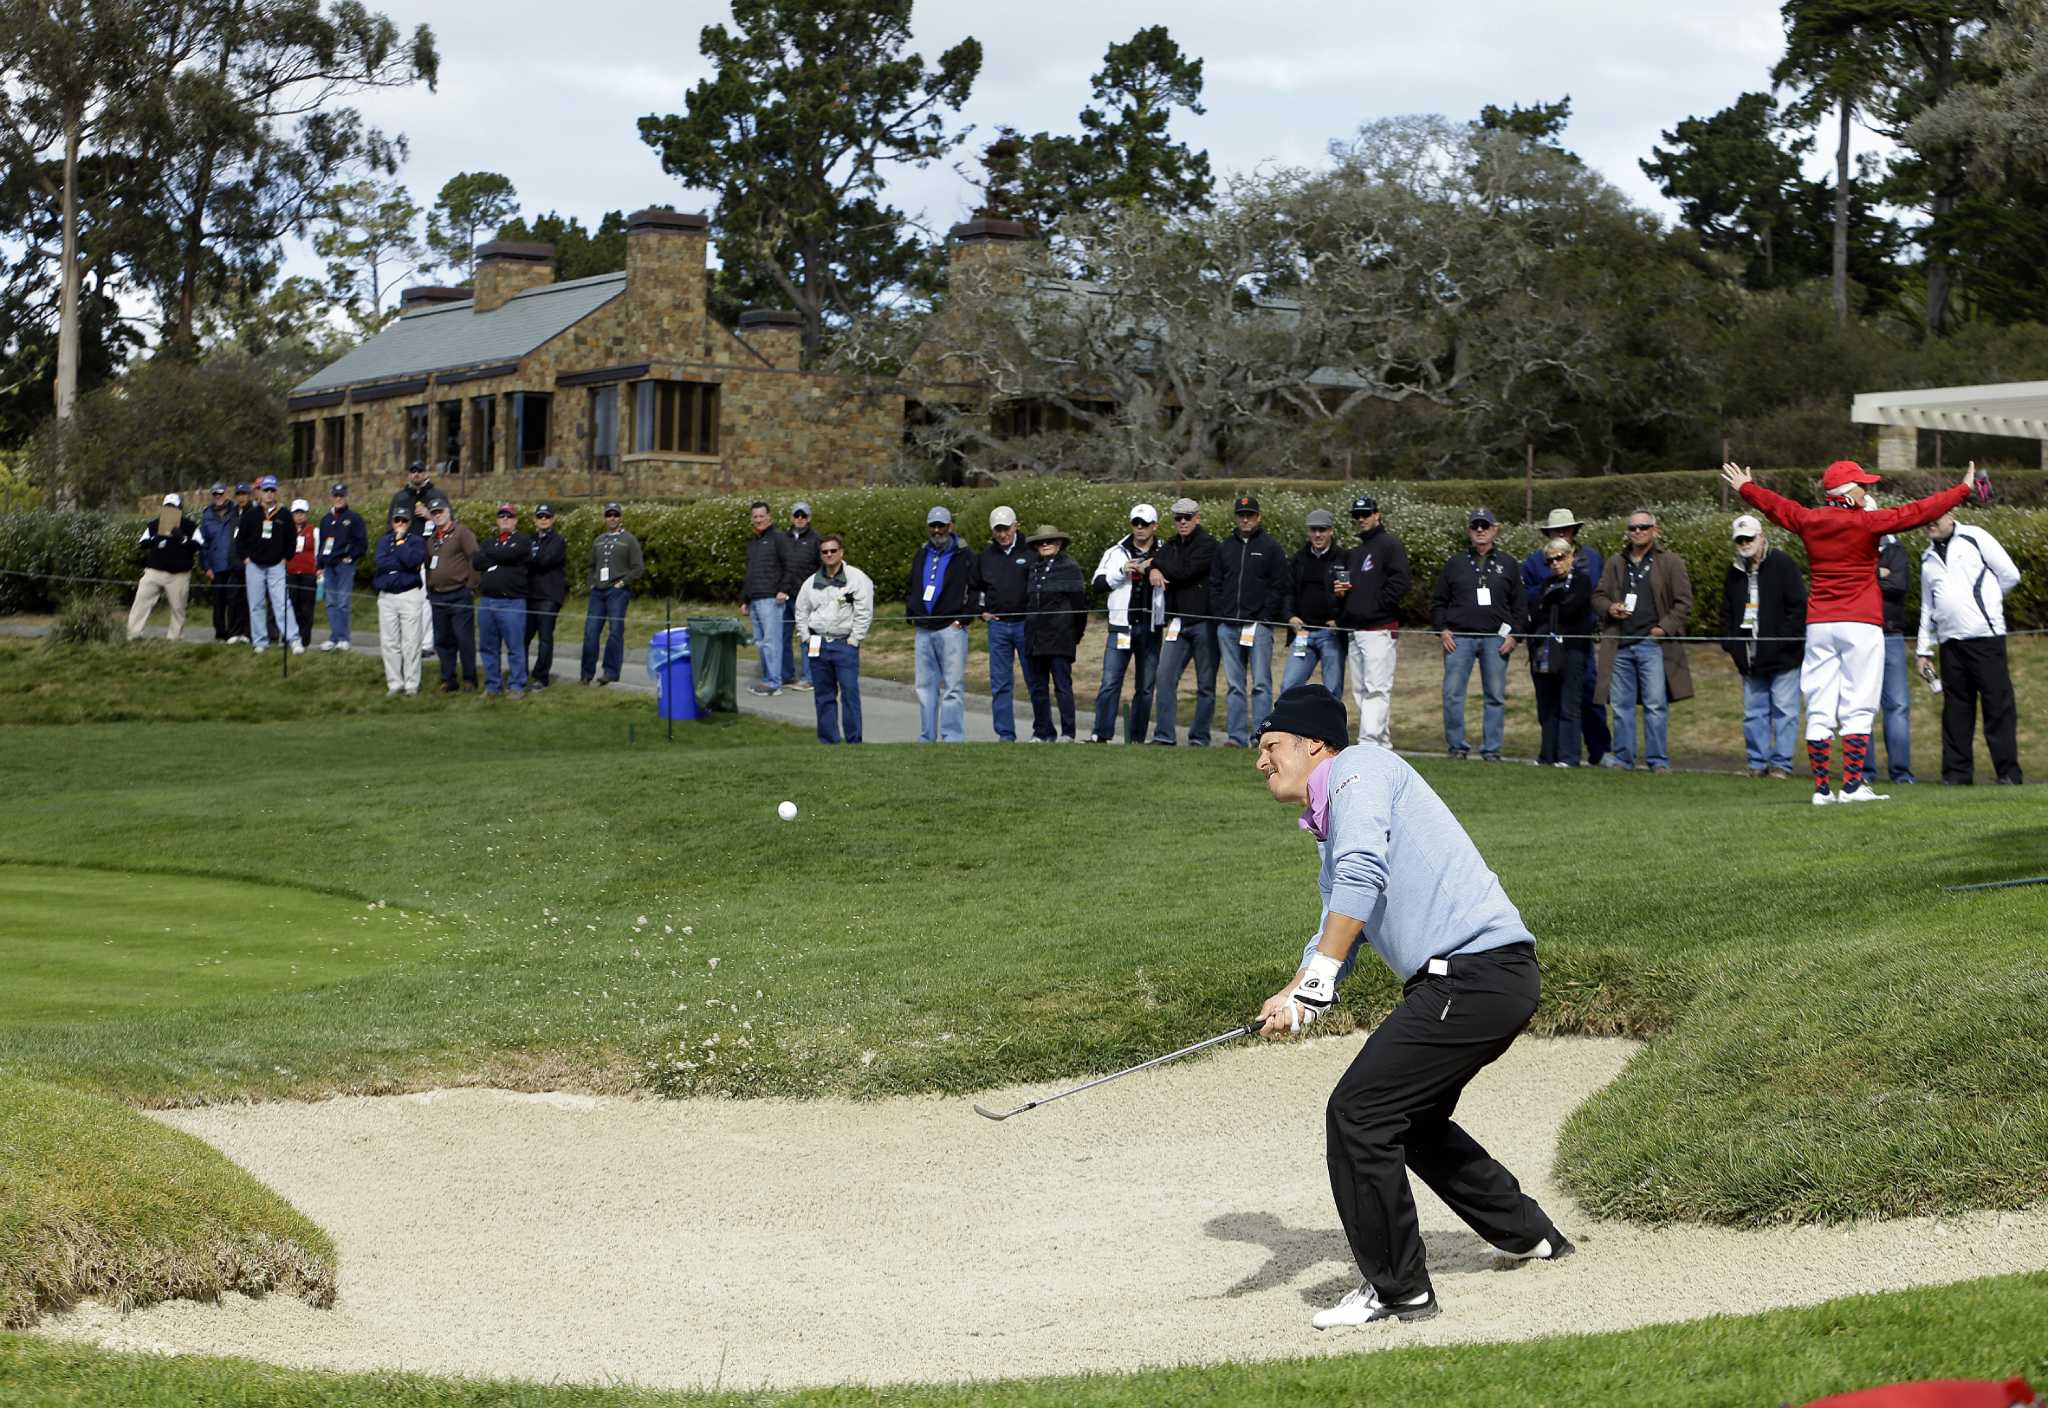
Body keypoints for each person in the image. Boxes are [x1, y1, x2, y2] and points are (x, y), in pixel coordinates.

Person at [1251, 684, 1572, 1330]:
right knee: (1412, 1119)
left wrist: (1319, 977)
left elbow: (1362, 876)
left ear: (1315, 746)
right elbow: (1343, 923)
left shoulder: (1360, 769)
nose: (1261, 762)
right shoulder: (1337, 821)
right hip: (1477, 982)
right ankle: (1528, 1234)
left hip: (1473, 976)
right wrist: (1298, 992)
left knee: (1359, 1113)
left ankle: (1397, 1290)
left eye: (1271, 746)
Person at [1723, 459, 1973, 803]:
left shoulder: (1810, 520)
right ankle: (1853, 785)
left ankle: (1822, 789)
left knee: (1819, 704)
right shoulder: (1868, 522)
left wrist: (1746, 488)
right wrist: (1962, 490)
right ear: (1847, 493)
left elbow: (1777, 507)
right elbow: (1918, 512)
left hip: (1820, 623)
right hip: (1860, 622)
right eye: (1862, 486)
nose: (1867, 491)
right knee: (1859, 702)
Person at [1918, 510, 2023, 786]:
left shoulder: (1975, 537)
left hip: (1986, 638)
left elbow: (2010, 575)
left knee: (1997, 707)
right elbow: (1928, 606)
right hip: (1949, 642)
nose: (1930, 523)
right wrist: (1923, 650)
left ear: (1951, 515)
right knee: (1956, 710)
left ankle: (2008, 774)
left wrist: (1987, 605)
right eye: (1926, 518)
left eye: (1936, 517)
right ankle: (1956, 775)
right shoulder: (1927, 558)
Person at [1592, 510, 1694, 774]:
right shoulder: (1616, 562)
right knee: (1621, 707)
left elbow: (1684, 602)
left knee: (1655, 705)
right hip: (1619, 644)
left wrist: (1663, 628)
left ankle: (1658, 761)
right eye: (1633, 528)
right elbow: (1598, 596)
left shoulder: (1670, 561)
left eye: (1643, 527)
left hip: (1652, 644)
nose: (1637, 532)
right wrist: (1610, 608)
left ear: (1654, 530)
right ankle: (1624, 759)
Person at [1430, 507, 1521, 761]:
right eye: (1475, 526)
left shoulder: (1508, 564)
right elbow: (1438, 602)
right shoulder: (1455, 563)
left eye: (1485, 526)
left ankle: (1492, 750)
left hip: (1496, 639)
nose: (1480, 530)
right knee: (1452, 694)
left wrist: (1515, 635)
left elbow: (1520, 605)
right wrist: (1442, 630)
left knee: (1495, 696)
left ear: (1495, 529)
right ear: (1469, 531)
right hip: (1458, 639)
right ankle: (1457, 747)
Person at [1720, 515, 1806, 780]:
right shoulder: (1734, 571)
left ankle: (1781, 764)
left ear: (1761, 536)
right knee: (1753, 713)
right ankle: (1757, 763)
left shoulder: (1783, 563)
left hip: (1783, 656)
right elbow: (1726, 612)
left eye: (1749, 538)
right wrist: (1731, 644)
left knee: (1784, 711)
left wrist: (1781, 642)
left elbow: (1798, 607)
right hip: (1749, 655)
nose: (1745, 544)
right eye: (1740, 540)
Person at [1519, 508, 1607, 766]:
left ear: (1573, 531)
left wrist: (1555, 600)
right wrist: (1550, 599)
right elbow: (1530, 599)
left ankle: (1598, 750)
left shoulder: (1591, 559)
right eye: (1555, 531)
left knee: (1584, 696)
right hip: (1546, 641)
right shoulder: (1534, 562)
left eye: (1565, 530)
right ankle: (1550, 754)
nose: (1555, 562)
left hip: (1578, 640)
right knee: (1549, 700)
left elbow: (1586, 598)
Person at [1211, 495, 1292, 748]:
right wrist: (1221, 613)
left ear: (1259, 517)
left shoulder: (1271, 547)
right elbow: (1215, 583)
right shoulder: (1225, 547)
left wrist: (1265, 615)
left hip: (1258, 627)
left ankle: (1261, 737)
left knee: (1261, 684)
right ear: (1236, 517)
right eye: (1241, 515)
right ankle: (1235, 737)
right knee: (1234, 685)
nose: (1245, 519)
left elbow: (1279, 585)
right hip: (1228, 626)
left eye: (1250, 515)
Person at [1087, 503, 1164, 744]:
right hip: (1121, 628)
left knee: (1146, 687)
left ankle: (1137, 738)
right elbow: (1097, 583)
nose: (1139, 528)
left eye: (1145, 524)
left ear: (1154, 526)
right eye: (1135, 523)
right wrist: (1122, 571)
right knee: (1110, 683)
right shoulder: (1116, 551)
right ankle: (1101, 734)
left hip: (1151, 628)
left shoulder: (1165, 550)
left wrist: (1154, 567)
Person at [1337, 496, 1410, 751]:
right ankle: (1382, 744)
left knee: (1376, 689)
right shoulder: (1356, 552)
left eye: (1366, 514)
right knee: (1360, 690)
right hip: (1356, 630)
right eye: (1357, 515)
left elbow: (1401, 582)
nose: (1361, 519)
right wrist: (1344, 598)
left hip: (1379, 628)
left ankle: (1367, 743)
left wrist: (1376, 606)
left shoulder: (1389, 544)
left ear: (1377, 515)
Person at [1150, 497, 1221, 746]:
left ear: (1197, 518)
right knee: (1164, 678)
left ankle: (1199, 737)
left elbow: (1184, 572)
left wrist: (1156, 564)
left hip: (1204, 622)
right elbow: (1162, 563)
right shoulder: (1170, 544)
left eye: (1187, 517)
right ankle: (1164, 735)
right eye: (1178, 518)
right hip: (1177, 622)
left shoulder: (1209, 544)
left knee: (1206, 685)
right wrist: (1154, 568)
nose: (1182, 522)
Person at [794, 533, 874, 744]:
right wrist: (805, 637)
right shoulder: (811, 582)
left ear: (841, 552)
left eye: (833, 550)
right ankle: (828, 741)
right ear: (821, 555)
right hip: (817, 643)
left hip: (844, 643)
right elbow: (801, 610)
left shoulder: (857, 578)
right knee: (823, 695)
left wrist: (855, 639)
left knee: (849, 693)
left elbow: (864, 612)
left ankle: (854, 741)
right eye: (825, 552)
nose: (829, 554)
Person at [906, 505, 974, 743]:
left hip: (951, 628)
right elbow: (912, 583)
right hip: (924, 628)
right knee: (924, 686)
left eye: (941, 526)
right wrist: (911, 611)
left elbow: (975, 588)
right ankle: (927, 737)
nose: (937, 530)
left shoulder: (964, 554)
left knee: (953, 686)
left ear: (950, 526)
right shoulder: (922, 552)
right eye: (933, 526)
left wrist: (964, 618)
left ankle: (952, 736)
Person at [1021, 524, 1089, 743]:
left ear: (1059, 543)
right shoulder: (1033, 568)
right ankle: (1042, 731)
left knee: (1062, 686)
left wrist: (1076, 634)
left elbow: (1080, 606)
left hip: (1061, 636)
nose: (1045, 545)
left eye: (1049, 541)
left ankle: (1068, 733)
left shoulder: (1070, 567)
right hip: (1035, 636)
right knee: (1038, 687)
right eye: (1041, 542)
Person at [974, 506, 1032, 742]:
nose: (1002, 534)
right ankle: (1005, 735)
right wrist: (981, 611)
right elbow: (978, 588)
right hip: (998, 626)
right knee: (1000, 683)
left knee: (1034, 679)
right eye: (998, 530)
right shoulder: (987, 556)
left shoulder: (1030, 551)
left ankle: (1042, 732)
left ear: (1015, 526)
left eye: (1006, 529)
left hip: (1025, 625)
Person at [1283, 510, 1346, 699]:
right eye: (1313, 530)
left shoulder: (1343, 558)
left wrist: (1340, 620)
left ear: (1331, 531)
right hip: (1303, 633)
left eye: (1322, 530)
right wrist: (1290, 616)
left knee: (1332, 692)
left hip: (1331, 635)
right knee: (1289, 687)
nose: (1317, 535)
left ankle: (1330, 720)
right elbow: (1287, 591)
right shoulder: (1298, 559)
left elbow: (1350, 596)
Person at [237, 475, 302, 654]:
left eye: (272, 490)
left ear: (276, 492)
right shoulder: (251, 514)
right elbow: (240, 540)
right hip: (254, 566)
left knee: (282, 604)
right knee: (256, 605)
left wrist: (286, 557)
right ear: (260, 492)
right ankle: (260, 641)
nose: (269, 493)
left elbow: (292, 539)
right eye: (266, 490)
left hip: (276, 566)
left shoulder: (284, 514)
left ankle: (293, 639)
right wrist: (245, 558)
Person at [127, 493, 203, 641]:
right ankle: (133, 634)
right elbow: (142, 543)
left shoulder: (189, 525)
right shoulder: (154, 524)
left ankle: (175, 638)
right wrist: (155, 539)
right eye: (168, 507)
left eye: (173, 507)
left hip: (179, 575)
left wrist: (183, 538)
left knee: (178, 609)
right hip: (154, 572)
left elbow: (199, 545)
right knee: (141, 603)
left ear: (180, 509)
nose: (170, 510)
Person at [582, 502, 643, 686]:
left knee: (615, 631)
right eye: (609, 515)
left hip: (617, 591)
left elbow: (638, 568)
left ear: (621, 517)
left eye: (615, 515)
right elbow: (591, 566)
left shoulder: (629, 540)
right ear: (605, 518)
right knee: (591, 632)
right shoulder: (598, 540)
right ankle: (586, 674)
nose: (612, 518)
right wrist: (591, 583)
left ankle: (610, 672)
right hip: (597, 592)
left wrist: (623, 582)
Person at [473, 503, 531, 698]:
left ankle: (516, 686)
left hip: (511, 602)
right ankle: (493, 686)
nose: (505, 519)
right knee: (488, 647)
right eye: (501, 516)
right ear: (497, 520)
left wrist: (492, 555)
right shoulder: (490, 541)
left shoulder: (522, 540)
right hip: (487, 601)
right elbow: (477, 562)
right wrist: (499, 557)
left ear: (515, 520)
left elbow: (511, 554)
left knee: (515, 647)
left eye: (509, 516)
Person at [423, 498, 480, 694]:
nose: (438, 515)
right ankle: (448, 679)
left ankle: (469, 679)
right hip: (438, 596)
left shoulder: (462, 533)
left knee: (464, 639)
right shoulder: (432, 539)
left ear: (449, 512)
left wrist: (471, 586)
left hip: (459, 594)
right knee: (442, 641)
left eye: (441, 511)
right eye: (434, 512)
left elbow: (475, 558)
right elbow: (428, 565)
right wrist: (430, 587)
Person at [371, 506, 428, 697]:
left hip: (409, 594)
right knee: (389, 643)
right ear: (392, 522)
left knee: (411, 642)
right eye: (397, 520)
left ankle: (411, 685)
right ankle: (395, 683)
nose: (400, 524)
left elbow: (413, 561)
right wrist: (401, 563)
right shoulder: (383, 541)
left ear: (409, 523)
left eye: (404, 520)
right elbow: (381, 562)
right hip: (387, 596)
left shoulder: (417, 541)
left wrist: (401, 542)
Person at [743, 500, 796, 697]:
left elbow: (790, 565)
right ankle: (767, 680)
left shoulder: (779, 538)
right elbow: (749, 573)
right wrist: (744, 599)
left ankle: (774, 683)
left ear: (769, 517)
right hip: (755, 599)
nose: (758, 520)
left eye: (761, 516)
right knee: (760, 643)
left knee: (771, 643)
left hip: (771, 600)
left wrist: (784, 589)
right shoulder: (753, 543)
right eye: (755, 517)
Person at [1876, 526, 1916, 784]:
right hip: (1861, 632)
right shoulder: (1849, 546)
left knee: (1898, 705)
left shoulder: (1895, 548)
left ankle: (1901, 774)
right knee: (1861, 706)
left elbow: (1899, 585)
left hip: (1891, 633)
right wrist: (1879, 573)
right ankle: (1863, 773)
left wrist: (1869, 575)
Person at [316, 483, 367, 652]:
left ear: (346, 497)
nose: (338, 499)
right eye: (336, 496)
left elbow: (362, 543)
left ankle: (344, 638)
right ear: (332, 497)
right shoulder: (326, 519)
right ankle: (334, 637)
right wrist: (320, 564)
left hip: (344, 566)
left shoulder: (353, 518)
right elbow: (322, 543)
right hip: (329, 566)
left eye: (341, 496)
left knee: (343, 602)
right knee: (331, 603)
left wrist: (351, 557)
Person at [524, 504, 568, 689]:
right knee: (523, 637)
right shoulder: (529, 539)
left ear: (553, 519)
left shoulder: (558, 541)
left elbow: (545, 560)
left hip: (549, 596)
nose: (543, 520)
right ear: (534, 519)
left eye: (547, 517)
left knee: (545, 638)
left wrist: (529, 559)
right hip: (529, 595)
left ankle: (541, 677)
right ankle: (521, 673)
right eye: (540, 516)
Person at [780, 501, 821, 691]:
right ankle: (786, 675)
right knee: (783, 637)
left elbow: (823, 567)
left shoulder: (816, 539)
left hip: (808, 597)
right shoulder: (783, 538)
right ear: (791, 517)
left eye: (803, 515)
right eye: (796, 515)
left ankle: (811, 677)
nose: (799, 519)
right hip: (785, 596)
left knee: (810, 638)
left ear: (809, 518)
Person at [199, 483, 245, 643]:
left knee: (235, 600)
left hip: (234, 564)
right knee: (219, 601)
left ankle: (235, 631)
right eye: (215, 494)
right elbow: (204, 544)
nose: (218, 496)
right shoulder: (207, 515)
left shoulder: (235, 510)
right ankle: (220, 632)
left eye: (220, 493)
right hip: (216, 566)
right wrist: (206, 566)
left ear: (226, 493)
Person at [283, 500, 320, 649]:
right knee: (292, 607)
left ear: (306, 514)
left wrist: (318, 569)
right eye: (296, 513)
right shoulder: (287, 530)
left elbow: (318, 552)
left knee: (306, 608)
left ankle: (304, 640)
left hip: (308, 574)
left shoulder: (314, 531)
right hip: (291, 573)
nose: (299, 516)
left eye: (302, 513)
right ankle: (291, 638)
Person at [389, 461, 436, 538]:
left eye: (420, 471)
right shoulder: (399, 497)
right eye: (413, 471)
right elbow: (390, 524)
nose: (416, 474)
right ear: (409, 475)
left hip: (430, 542)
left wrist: (429, 516)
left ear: (426, 474)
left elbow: (448, 523)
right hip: (406, 542)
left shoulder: (436, 495)